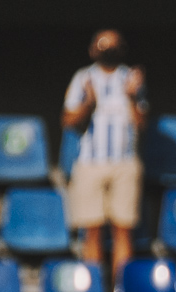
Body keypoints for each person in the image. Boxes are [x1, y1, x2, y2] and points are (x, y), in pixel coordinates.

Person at [62, 29, 148, 279]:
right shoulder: (83, 78)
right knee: (92, 231)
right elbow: (68, 120)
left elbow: (143, 124)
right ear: (92, 49)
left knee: (123, 231)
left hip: (125, 163)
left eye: (113, 44)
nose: (108, 49)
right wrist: (88, 103)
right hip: (91, 163)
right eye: (102, 44)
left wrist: (133, 97)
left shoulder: (131, 78)